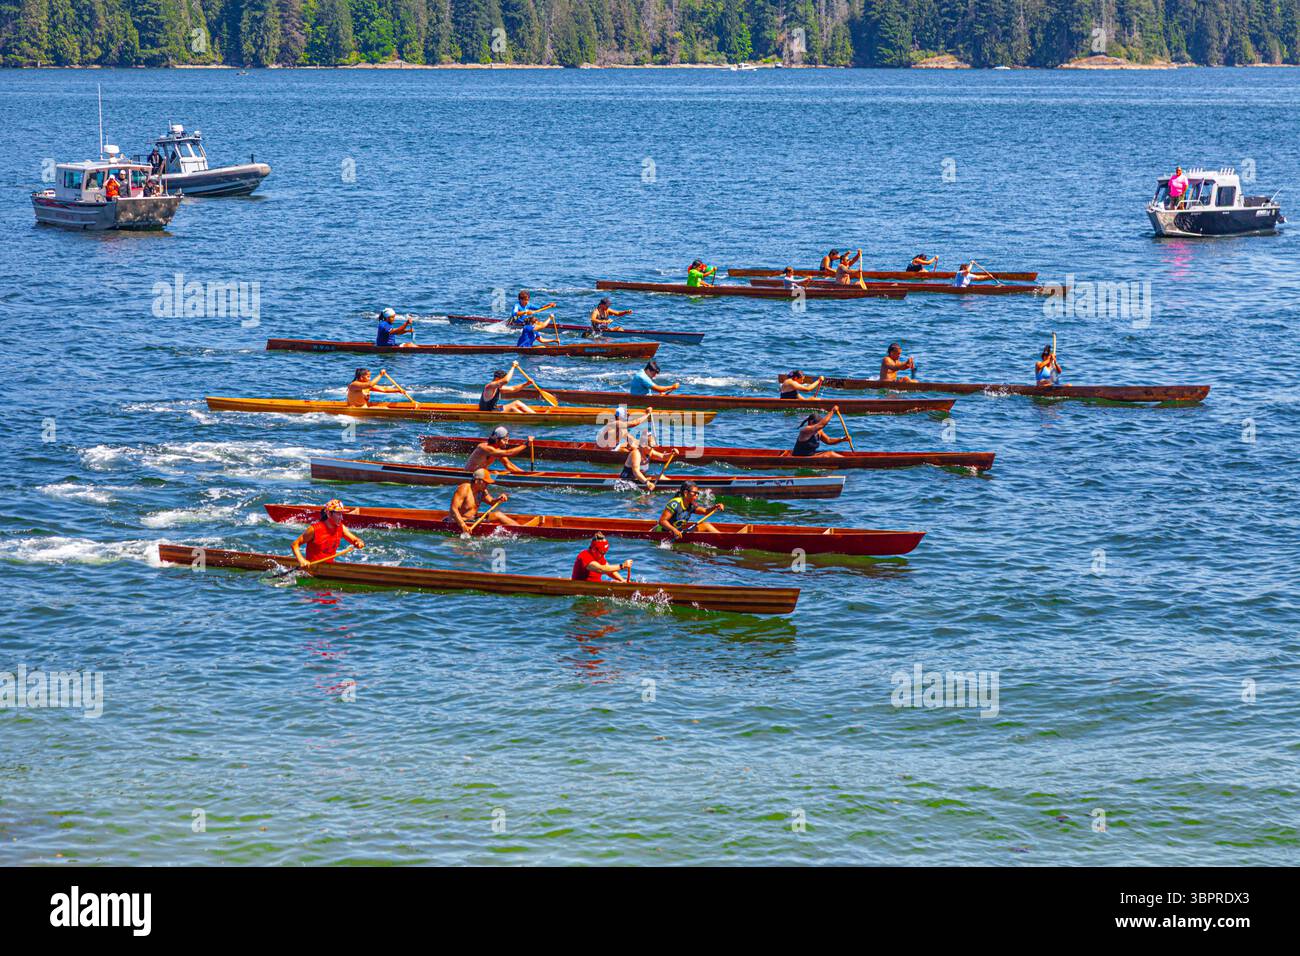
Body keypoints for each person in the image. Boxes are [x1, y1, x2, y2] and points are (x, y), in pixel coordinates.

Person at [291, 499, 365, 568]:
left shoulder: (341, 528)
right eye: (338, 514)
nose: (341, 518)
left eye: (341, 514)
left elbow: (355, 540)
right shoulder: (314, 529)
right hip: (313, 568)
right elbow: (295, 544)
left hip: (329, 568)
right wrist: (301, 560)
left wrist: (359, 542)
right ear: (329, 514)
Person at [449, 468, 518, 534]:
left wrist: (499, 499)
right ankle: (522, 530)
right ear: (477, 481)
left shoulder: (482, 491)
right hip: (459, 522)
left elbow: (491, 502)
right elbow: (453, 509)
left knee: (498, 514)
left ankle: (520, 529)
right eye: (485, 482)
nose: (487, 485)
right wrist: (463, 525)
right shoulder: (464, 488)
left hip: (473, 520)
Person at [657, 481, 723, 539]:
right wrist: (674, 530)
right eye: (695, 493)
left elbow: (705, 511)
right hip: (663, 532)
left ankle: (722, 539)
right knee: (706, 526)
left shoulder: (691, 505)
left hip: (679, 532)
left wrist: (715, 507)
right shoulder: (675, 504)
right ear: (686, 493)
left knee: (706, 525)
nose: (697, 495)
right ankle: (723, 540)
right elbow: (662, 521)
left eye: (698, 493)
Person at [465, 426, 535, 474]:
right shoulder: (485, 448)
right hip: (469, 475)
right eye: (505, 440)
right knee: (495, 472)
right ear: (497, 440)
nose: (507, 443)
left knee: (496, 472)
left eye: (507, 440)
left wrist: (526, 474)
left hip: (481, 475)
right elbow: (509, 453)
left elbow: (509, 465)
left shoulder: (497, 450)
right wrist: (526, 444)